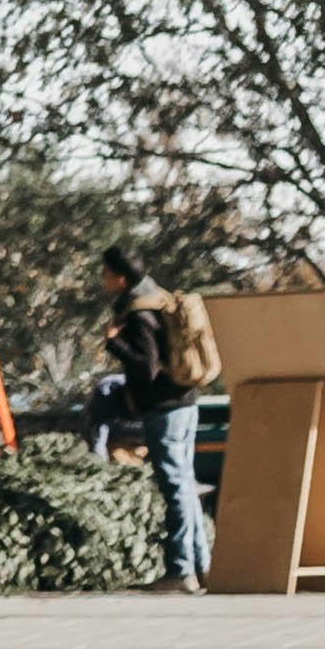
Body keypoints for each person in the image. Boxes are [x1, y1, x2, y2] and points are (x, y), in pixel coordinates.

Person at [94, 243, 212, 592]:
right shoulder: (157, 297)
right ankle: (200, 566)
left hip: (164, 409)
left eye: (104, 275)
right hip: (185, 403)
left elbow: (146, 367)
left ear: (119, 277)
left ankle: (180, 570)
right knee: (186, 486)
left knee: (175, 487)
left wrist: (114, 343)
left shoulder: (138, 313)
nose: (102, 281)